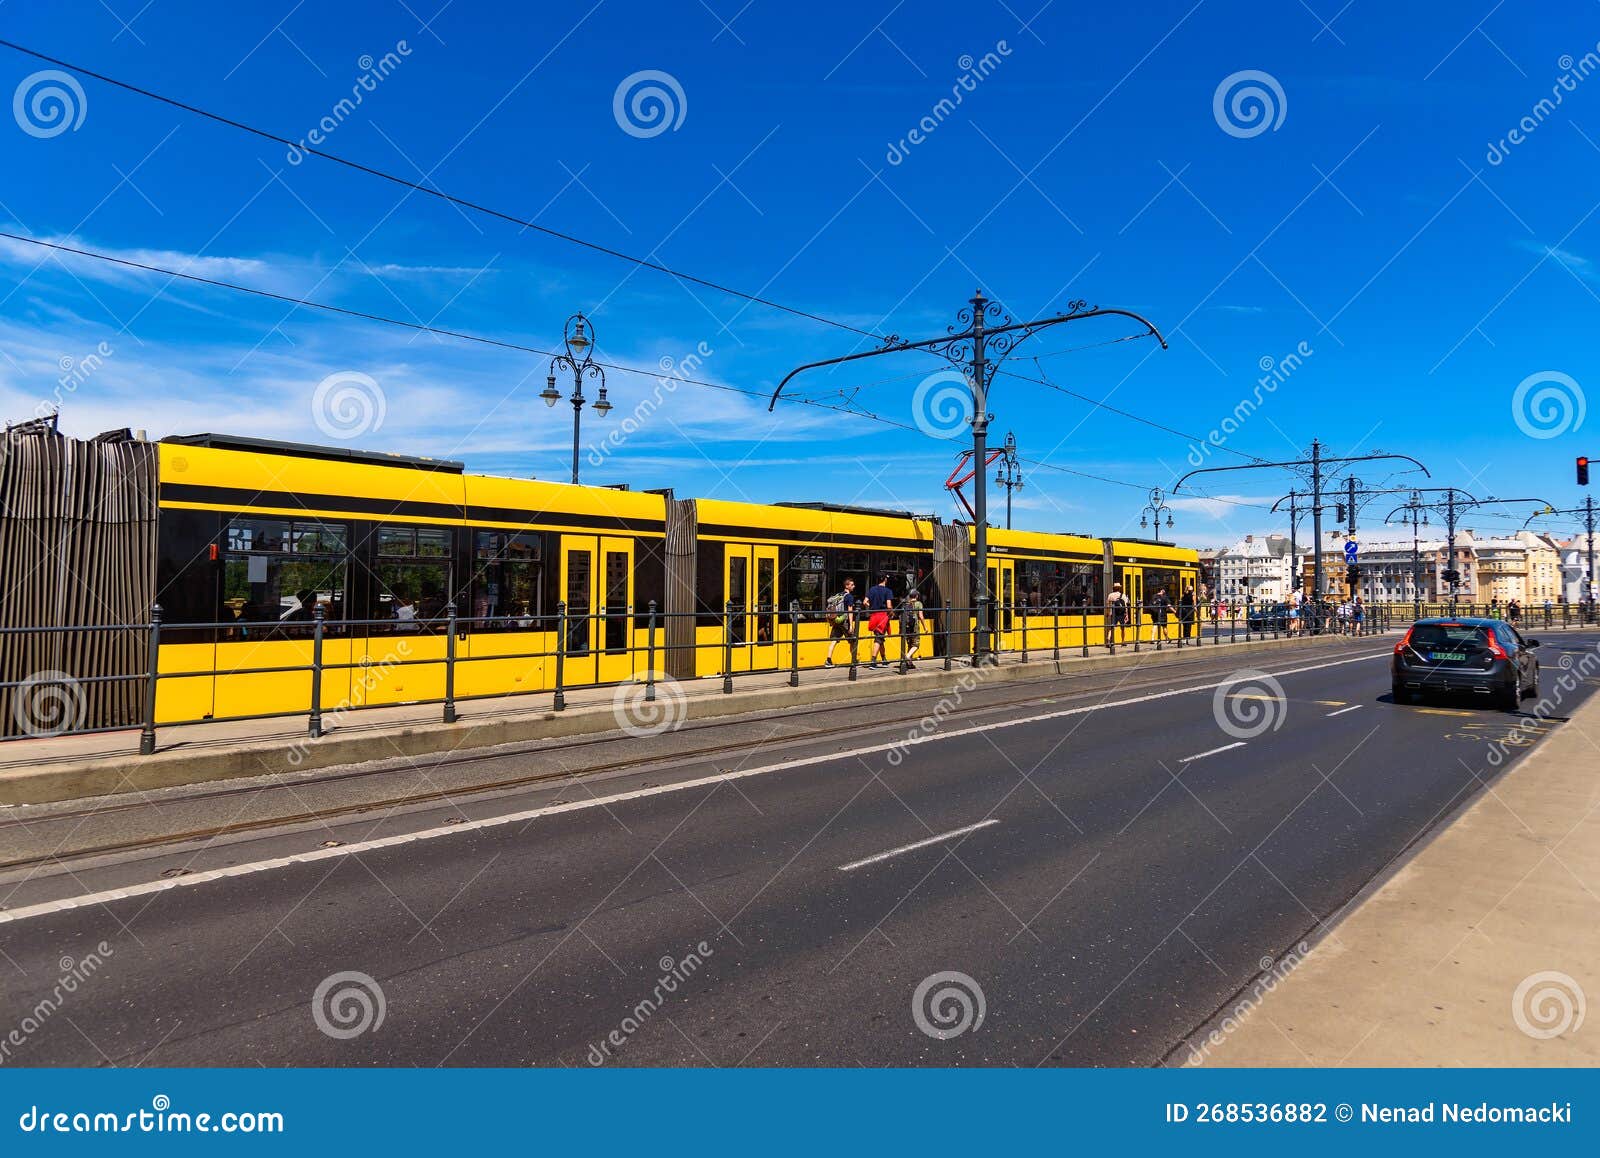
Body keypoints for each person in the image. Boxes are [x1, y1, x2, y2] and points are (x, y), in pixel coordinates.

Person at [823, 578, 857, 668]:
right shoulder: (849, 597)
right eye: (852, 585)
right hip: (844, 621)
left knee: (834, 640)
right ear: (847, 586)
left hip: (837, 620)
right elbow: (850, 612)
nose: (854, 586)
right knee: (853, 640)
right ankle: (854, 661)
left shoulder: (838, 595)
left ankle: (828, 660)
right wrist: (851, 625)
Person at [864, 573, 895, 668]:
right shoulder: (888, 591)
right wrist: (892, 613)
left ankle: (884, 659)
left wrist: (872, 607)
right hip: (883, 616)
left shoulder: (872, 589)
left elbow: (865, 602)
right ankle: (873, 661)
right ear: (885, 579)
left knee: (880, 637)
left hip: (874, 616)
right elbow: (889, 606)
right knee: (878, 638)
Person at [902, 588, 927, 668]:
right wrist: (925, 627)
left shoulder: (906, 603)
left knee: (910, 645)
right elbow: (921, 616)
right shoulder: (918, 603)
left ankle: (909, 663)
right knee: (916, 645)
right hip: (915, 627)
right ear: (916, 596)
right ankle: (907, 656)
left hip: (906, 628)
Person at [1105, 582, 1129, 651]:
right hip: (1121, 614)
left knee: (1112, 627)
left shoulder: (1110, 595)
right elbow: (1125, 606)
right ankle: (1123, 641)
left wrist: (1108, 613)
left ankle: (1108, 640)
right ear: (1119, 588)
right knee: (1123, 628)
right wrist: (1126, 614)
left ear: (1114, 588)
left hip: (1114, 613)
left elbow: (1108, 605)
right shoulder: (1123, 595)